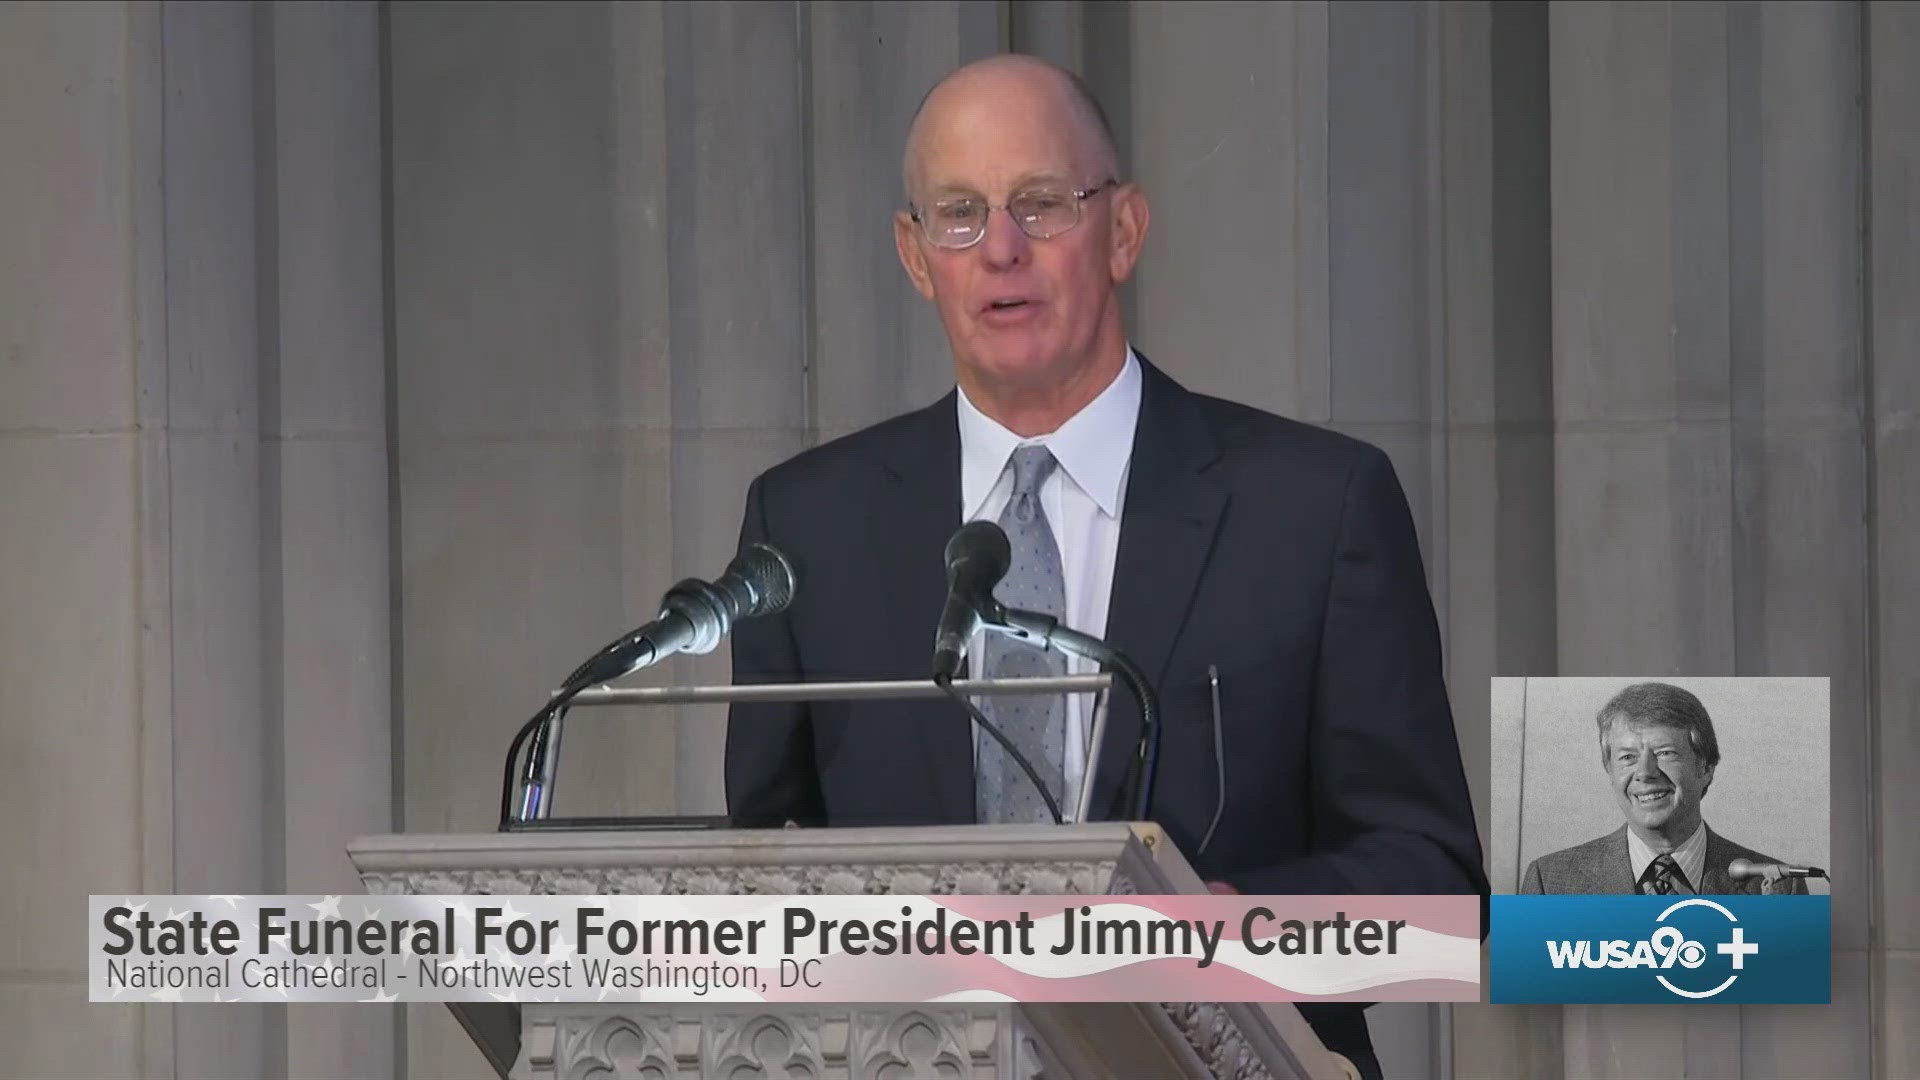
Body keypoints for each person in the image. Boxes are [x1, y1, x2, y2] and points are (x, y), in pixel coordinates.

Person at [725, 54, 1485, 1077]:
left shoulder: (1313, 508)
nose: (1000, 249)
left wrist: (1234, 934)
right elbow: (762, 874)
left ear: (1123, 231)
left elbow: (1437, 895)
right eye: (960, 213)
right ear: (914, 256)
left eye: (1041, 205)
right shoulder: (807, 523)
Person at [1519, 681, 1809, 895]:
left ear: (1705, 768)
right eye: (1627, 757)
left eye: (1665, 753)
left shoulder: (1781, 887)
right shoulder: (1550, 882)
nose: (1645, 773)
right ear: (1609, 771)